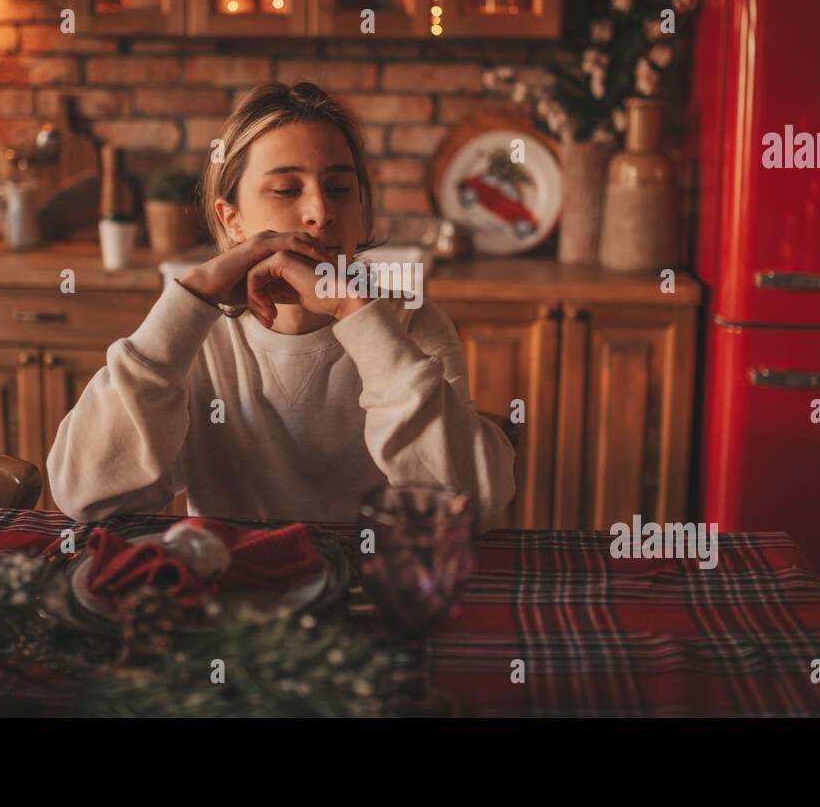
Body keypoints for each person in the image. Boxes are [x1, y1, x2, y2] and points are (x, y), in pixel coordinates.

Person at [46, 81, 516, 532]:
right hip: (232, 595)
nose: (320, 212)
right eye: (287, 190)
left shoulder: (412, 324)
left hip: (365, 592)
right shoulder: (195, 334)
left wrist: (356, 312)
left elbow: (467, 508)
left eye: (338, 189)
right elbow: (83, 494)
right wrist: (190, 294)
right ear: (231, 220)